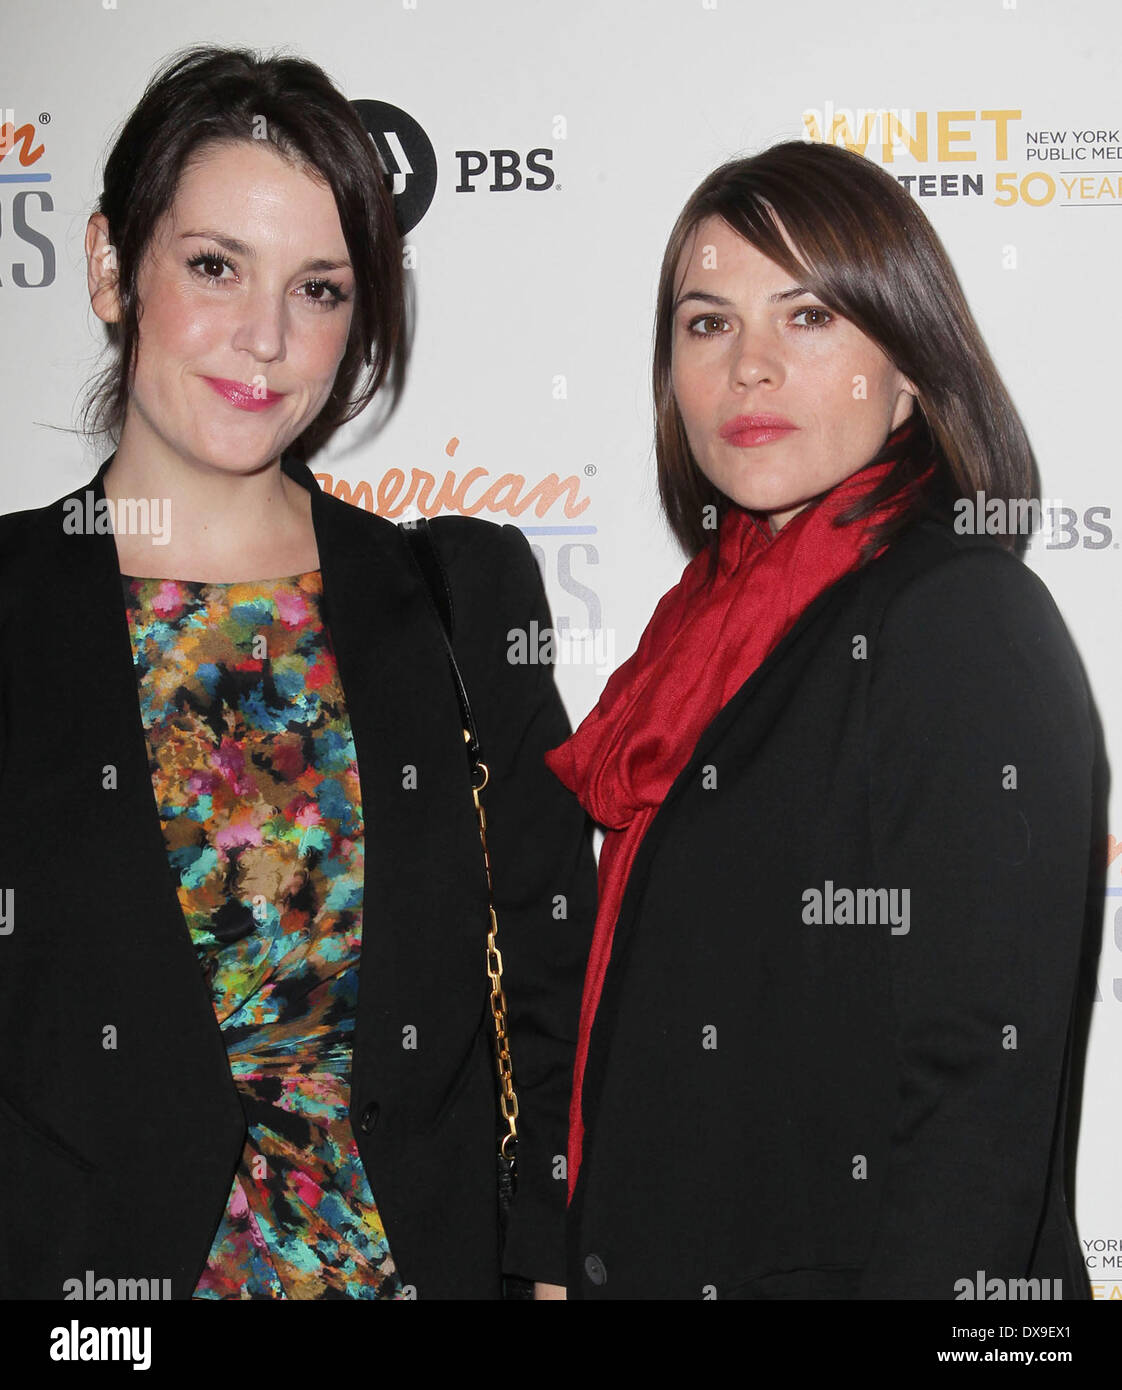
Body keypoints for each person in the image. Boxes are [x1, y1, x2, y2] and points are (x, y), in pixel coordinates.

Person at [0, 44, 595, 1301]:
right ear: (112, 266)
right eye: (215, 266)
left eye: (320, 289)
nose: (264, 338)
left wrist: (547, 1264)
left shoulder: (460, 598)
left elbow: (555, 977)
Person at [547, 139, 1106, 1300]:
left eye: (807, 319)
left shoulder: (962, 618)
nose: (748, 367)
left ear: (909, 365)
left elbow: (980, 1106)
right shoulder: (700, 642)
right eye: (707, 324)